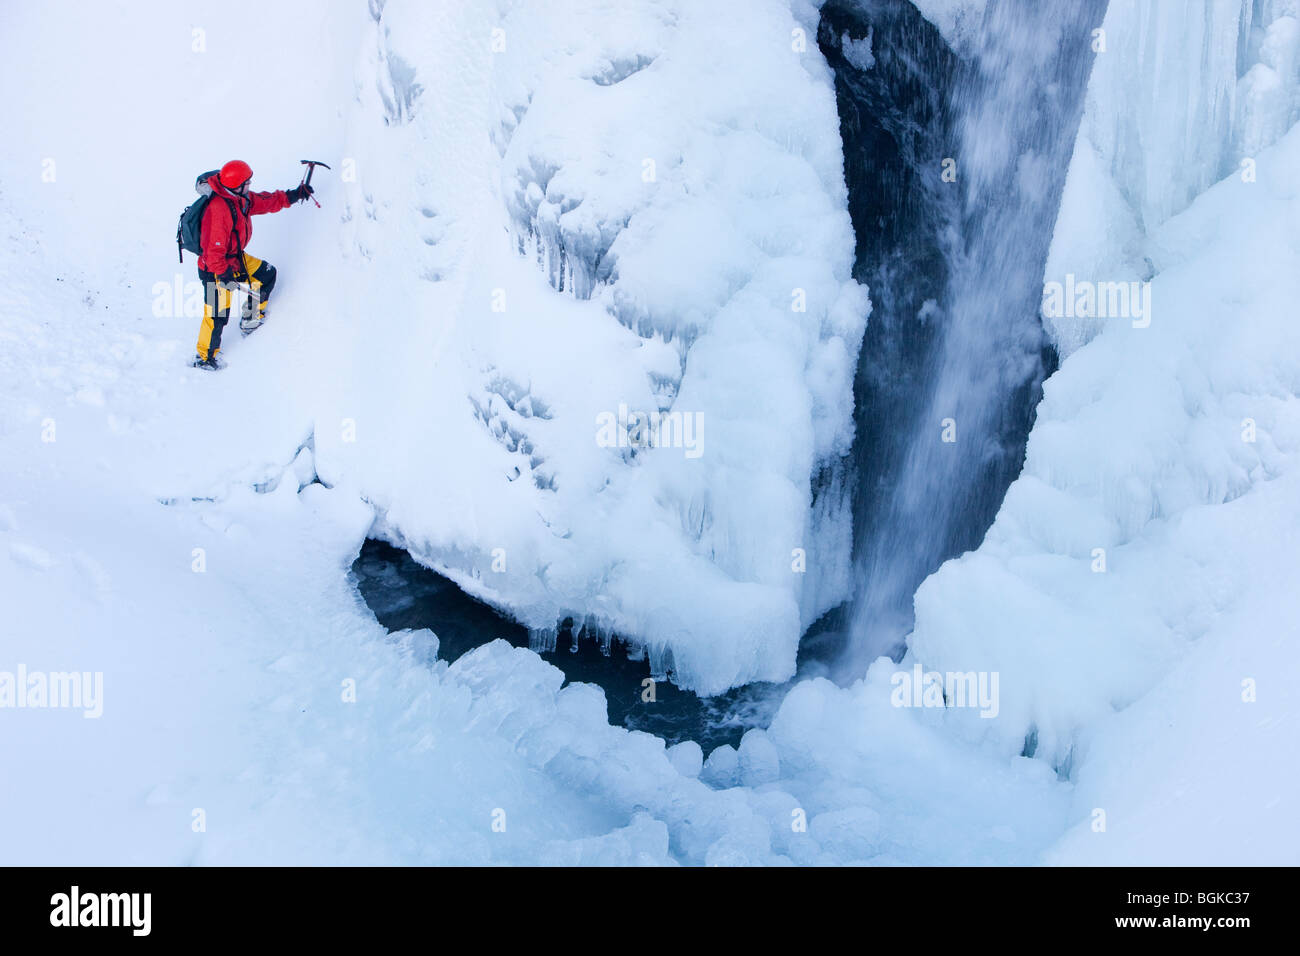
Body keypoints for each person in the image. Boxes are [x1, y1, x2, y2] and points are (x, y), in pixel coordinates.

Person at [193, 160, 313, 369]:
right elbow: (213, 251)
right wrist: (223, 275)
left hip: (235, 258)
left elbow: (266, 201)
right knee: (217, 314)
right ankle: (204, 358)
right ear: (235, 185)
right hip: (214, 269)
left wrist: (294, 195)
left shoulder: (241, 198)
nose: (250, 186)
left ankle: (250, 318)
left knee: (267, 275)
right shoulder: (219, 209)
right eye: (246, 183)